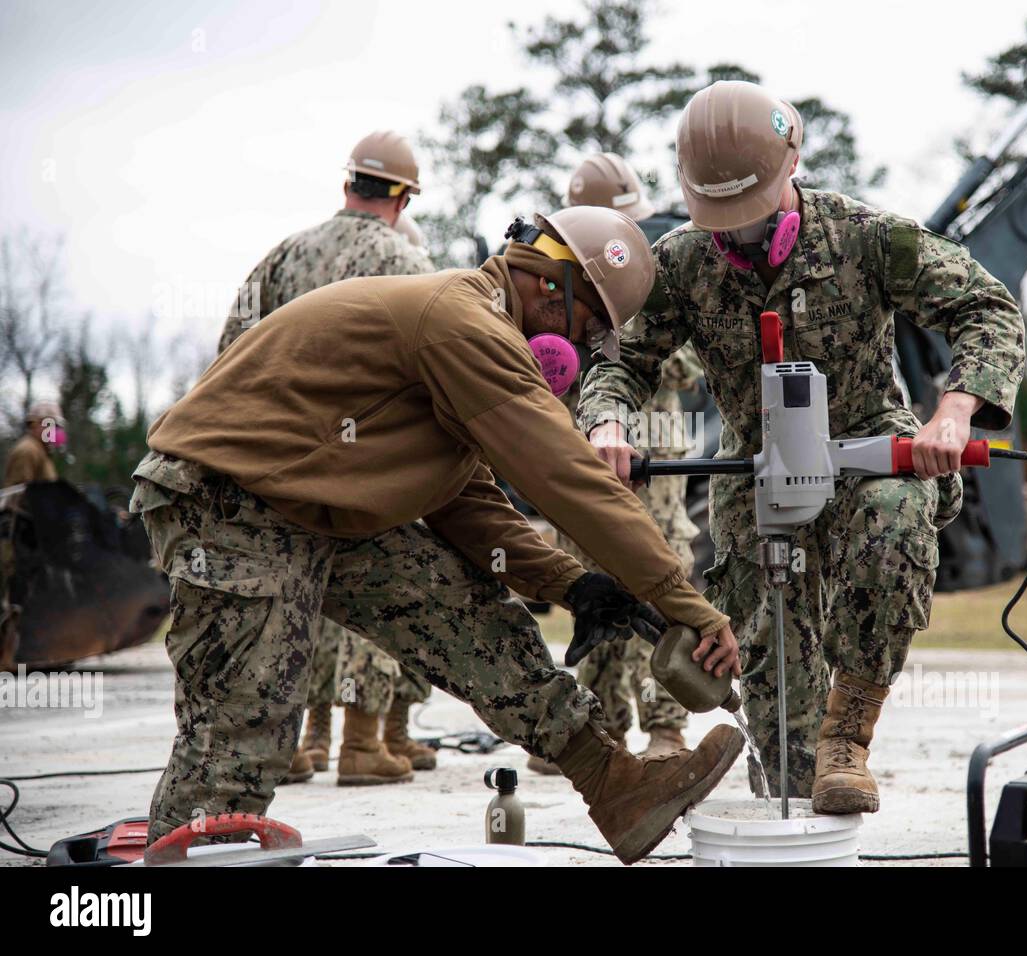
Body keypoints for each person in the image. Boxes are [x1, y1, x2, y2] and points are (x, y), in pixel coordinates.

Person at [130, 205, 743, 864]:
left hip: (310, 506)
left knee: (463, 609)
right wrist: (688, 605)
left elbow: (469, 507)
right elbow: (572, 480)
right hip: (228, 501)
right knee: (245, 725)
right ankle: (181, 860)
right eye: (592, 328)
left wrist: (578, 586)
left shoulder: (470, 331)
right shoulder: (464, 323)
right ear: (547, 285)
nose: (589, 351)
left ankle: (613, 782)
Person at [578, 81, 1025, 814]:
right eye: (723, 219)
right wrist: (607, 423)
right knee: (786, 768)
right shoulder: (684, 263)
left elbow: (985, 307)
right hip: (756, 477)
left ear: (794, 165)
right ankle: (795, 760)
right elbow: (621, 358)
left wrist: (953, 411)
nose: (741, 236)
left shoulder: (870, 238)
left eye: (751, 216)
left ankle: (849, 731)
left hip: (870, 454)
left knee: (893, 520)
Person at [217, 131, 439, 786]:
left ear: (349, 187)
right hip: (367, 457)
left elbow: (233, 347)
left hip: (281, 459)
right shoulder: (402, 262)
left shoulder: (285, 254)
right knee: (375, 592)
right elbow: (435, 363)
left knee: (296, 596)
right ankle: (363, 744)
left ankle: (289, 745)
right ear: (402, 199)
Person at [528, 152, 698, 776]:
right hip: (582, 456)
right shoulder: (559, 286)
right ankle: (596, 725)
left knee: (657, 585)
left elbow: (682, 367)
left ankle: (666, 726)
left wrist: (623, 326)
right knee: (591, 590)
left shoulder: (656, 278)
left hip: (650, 459)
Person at [1, 401, 66, 668]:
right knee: (16, 596)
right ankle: (10, 657)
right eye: (51, 425)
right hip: (19, 537)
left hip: (34, 538)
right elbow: (18, 496)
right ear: (34, 425)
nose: (56, 432)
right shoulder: (27, 451)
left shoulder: (42, 454)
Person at [3, 401, 64, 487]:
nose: (55, 430)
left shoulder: (41, 451)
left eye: (57, 426)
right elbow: (19, 492)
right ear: (35, 424)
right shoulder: (28, 450)